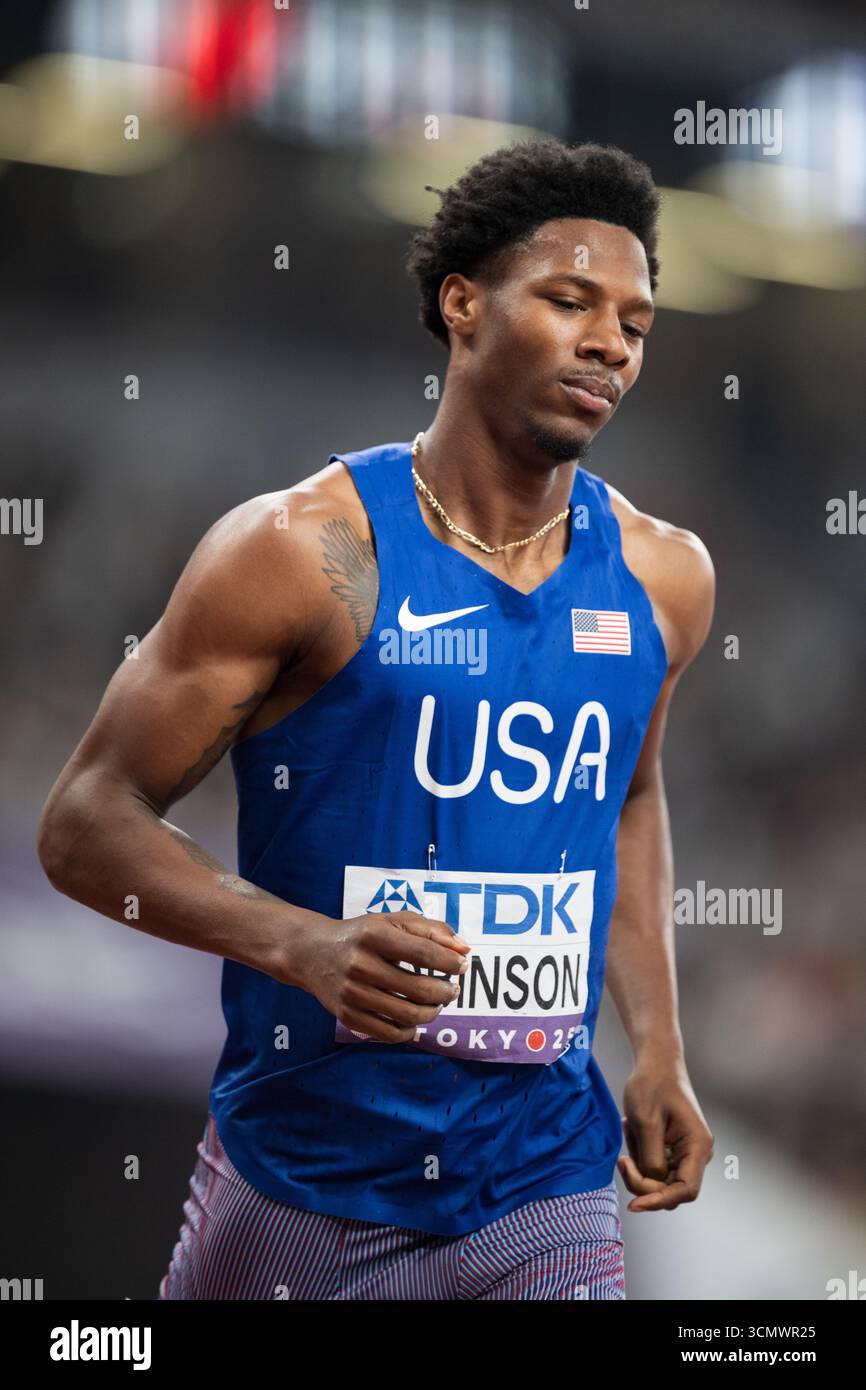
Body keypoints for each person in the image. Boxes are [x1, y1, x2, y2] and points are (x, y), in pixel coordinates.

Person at [37, 137, 715, 1300]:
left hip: (542, 1178)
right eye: (567, 301)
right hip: (305, 1180)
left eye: (635, 323)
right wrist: (298, 942)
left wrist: (654, 1041)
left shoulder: (663, 577)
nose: (610, 342)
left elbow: (627, 794)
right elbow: (87, 820)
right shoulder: (298, 551)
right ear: (462, 304)